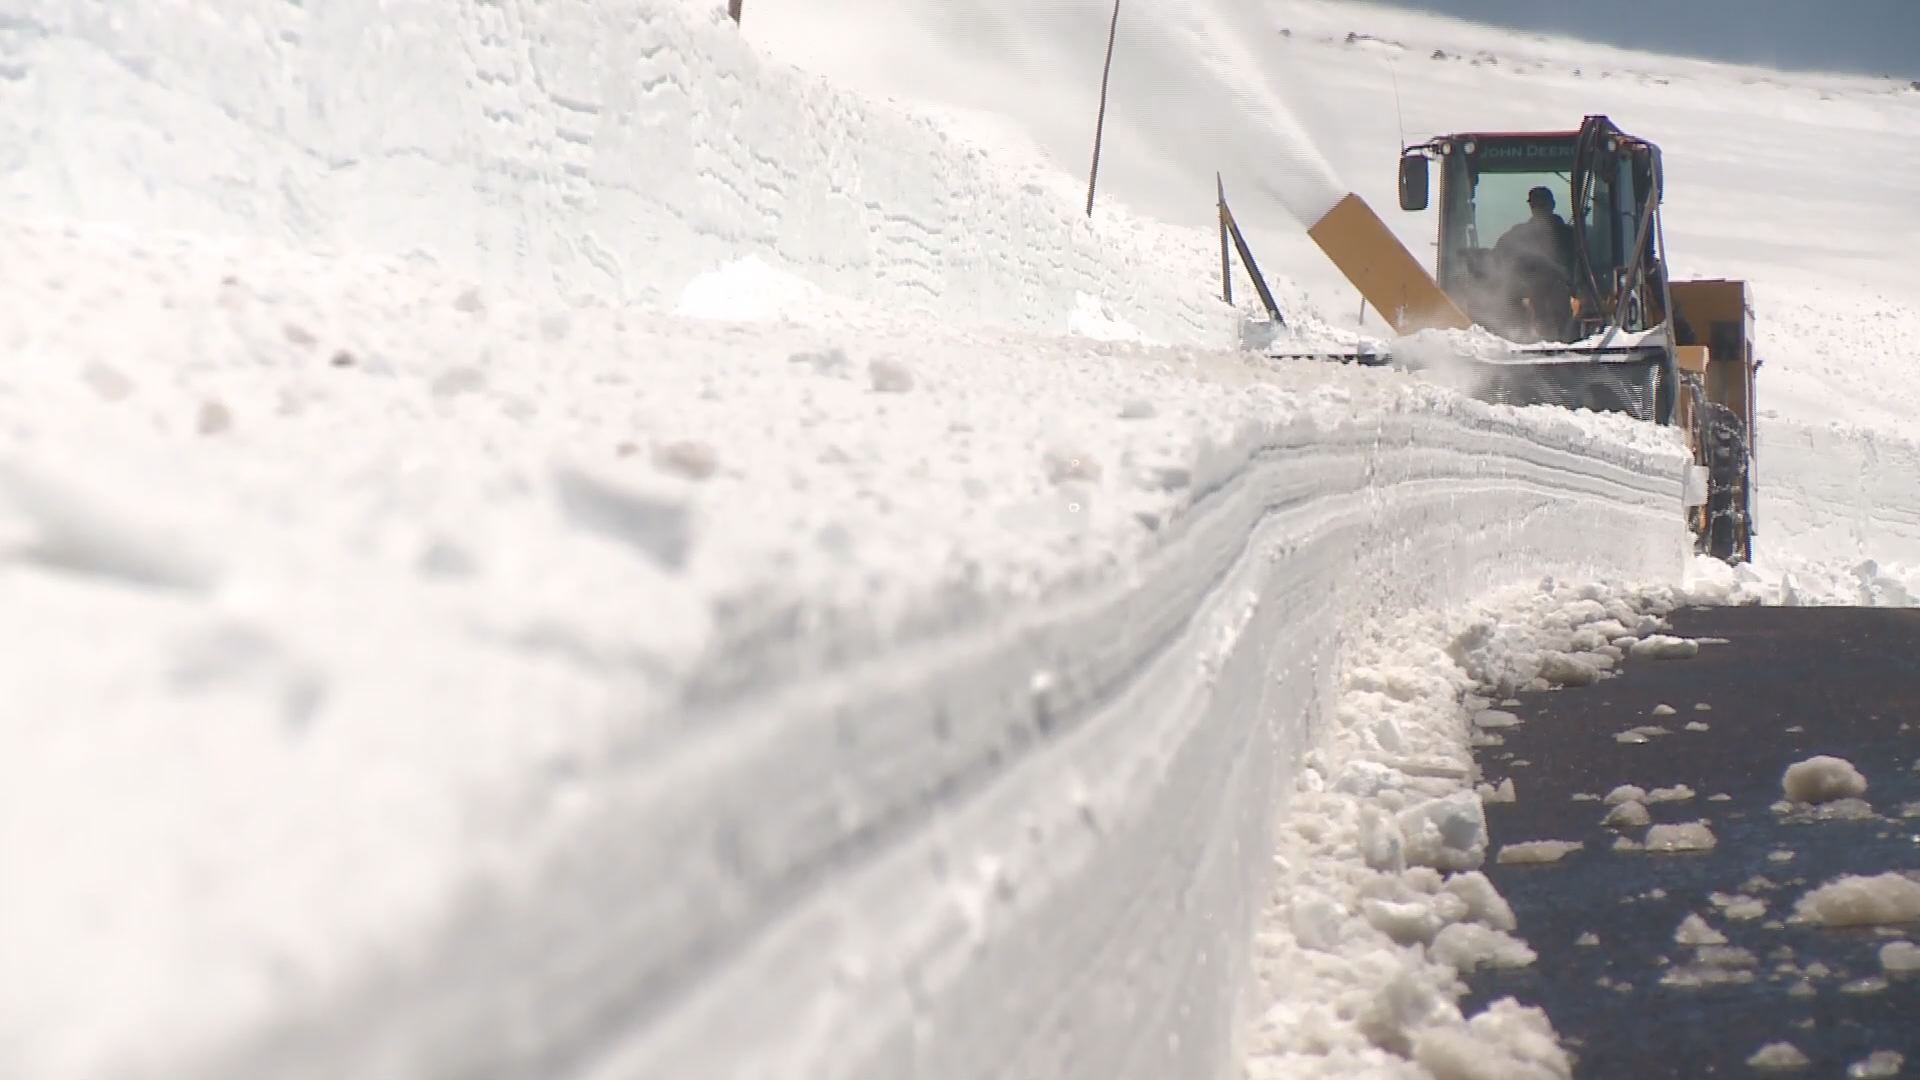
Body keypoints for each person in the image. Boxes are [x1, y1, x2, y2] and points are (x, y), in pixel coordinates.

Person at [1492, 186, 1576, 340]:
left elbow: (1583, 274)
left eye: (1543, 204)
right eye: (1535, 205)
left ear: (1552, 205)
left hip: (1563, 302)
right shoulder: (1516, 236)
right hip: (1525, 305)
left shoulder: (1571, 237)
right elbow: (1496, 261)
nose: (1539, 209)